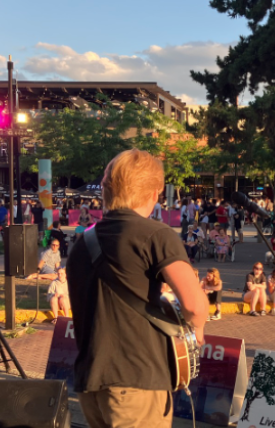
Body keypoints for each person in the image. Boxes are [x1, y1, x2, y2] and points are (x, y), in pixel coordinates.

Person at [66, 149, 208, 428]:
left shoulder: (83, 242)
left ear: (106, 190)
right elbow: (194, 305)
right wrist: (198, 329)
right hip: (136, 380)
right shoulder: (156, 234)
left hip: (90, 380)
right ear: (155, 193)